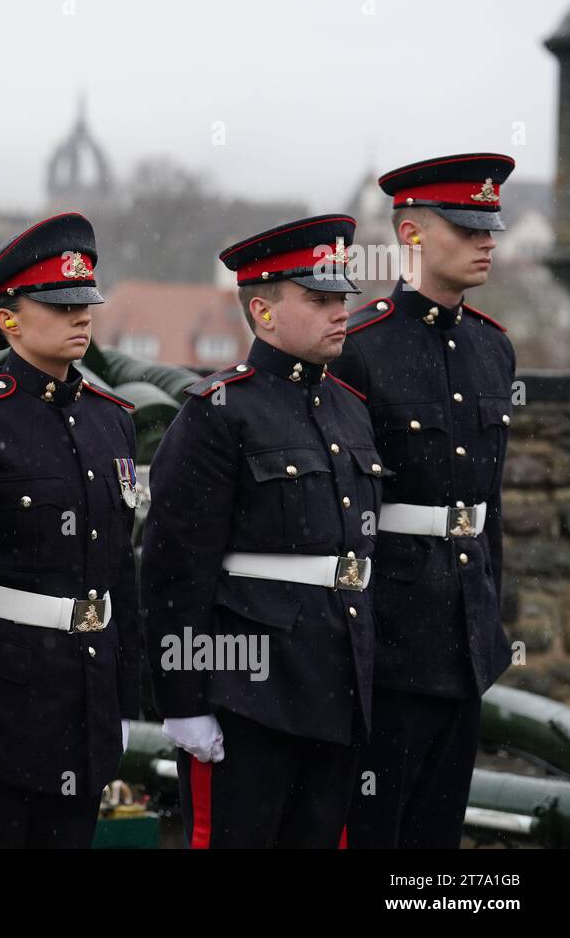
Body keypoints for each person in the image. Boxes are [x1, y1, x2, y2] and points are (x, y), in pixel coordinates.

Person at [142, 214, 381, 848]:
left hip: (336, 680)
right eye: (320, 300)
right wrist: (183, 698)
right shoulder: (219, 412)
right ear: (263, 311)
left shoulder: (351, 410)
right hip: (249, 689)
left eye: (342, 300)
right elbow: (174, 565)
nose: (340, 313)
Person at [0, 213, 143, 848]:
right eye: (60, 304)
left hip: (85, 696)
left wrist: (124, 699)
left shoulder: (114, 421)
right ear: (8, 319)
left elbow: (119, 573)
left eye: (86, 302)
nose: (82, 316)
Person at [332, 153, 517, 848]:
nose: (487, 240)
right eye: (467, 228)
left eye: (490, 227)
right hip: (388, 633)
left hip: (465, 630)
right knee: (379, 831)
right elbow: (341, 509)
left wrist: (491, 611)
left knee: (438, 840)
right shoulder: (360, 348)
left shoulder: (492, 349)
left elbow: (487, 504)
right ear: (410, 233)